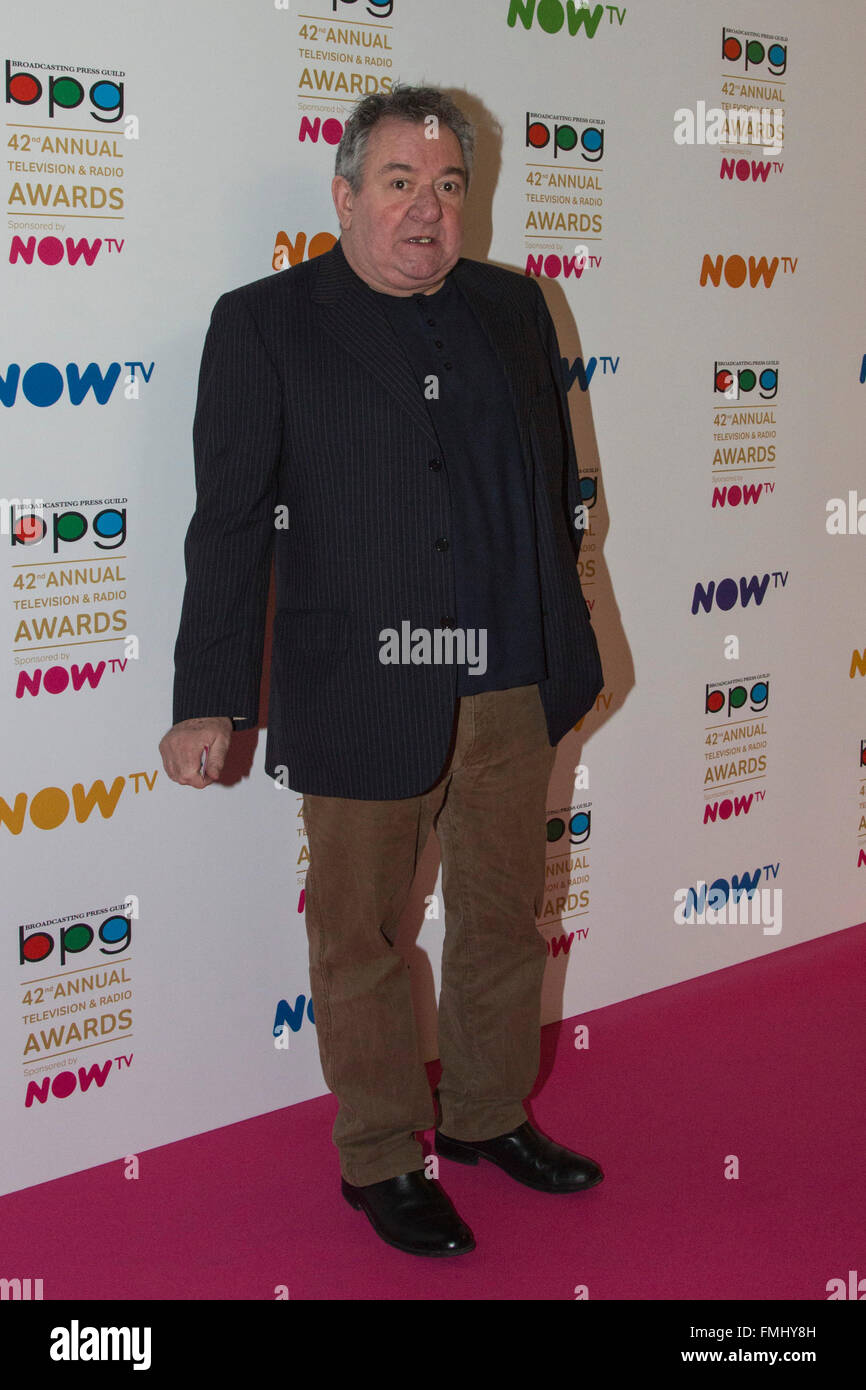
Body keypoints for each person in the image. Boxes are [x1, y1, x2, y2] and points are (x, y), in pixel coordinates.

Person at [159, 84, 605, 1258]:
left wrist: (559, 632)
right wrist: (211, 693)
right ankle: (378, 1158)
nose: (426, 209)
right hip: (360, 682)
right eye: (399, 182)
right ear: (345, 195)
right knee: (359, 941)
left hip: (509, 676)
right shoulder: (264, 322)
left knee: (506, 915)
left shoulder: (515, 308)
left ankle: (485, 1115)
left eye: (448, 185)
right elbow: (231, 521)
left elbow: (547, 487)